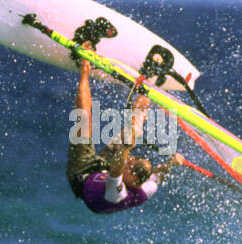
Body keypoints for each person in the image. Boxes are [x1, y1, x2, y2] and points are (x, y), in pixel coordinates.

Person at [65, 43, 183, 214]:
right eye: (134, 159)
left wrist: (126, 146)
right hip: (105, 168)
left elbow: (119, 164)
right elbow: (158, 175)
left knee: (84, 122)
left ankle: (84, 67)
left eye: (131, 162)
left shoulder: (117, 194)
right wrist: (172, 163)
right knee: (133, 129)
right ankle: (151, 77)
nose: (130, 159)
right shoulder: (146, 189)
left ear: (133, 178)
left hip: (82, 174)